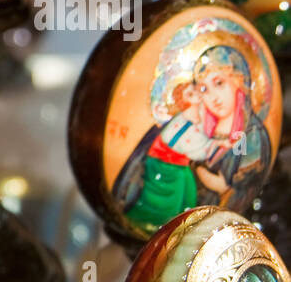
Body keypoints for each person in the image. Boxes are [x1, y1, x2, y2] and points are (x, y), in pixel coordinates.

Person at [114, 45, 272, 231]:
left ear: (239, 81)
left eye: (219, 83)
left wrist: (224, 188)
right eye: (204, 89)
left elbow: (244, 182)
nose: (213, 97)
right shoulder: (197, 123)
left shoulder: (248, 134)